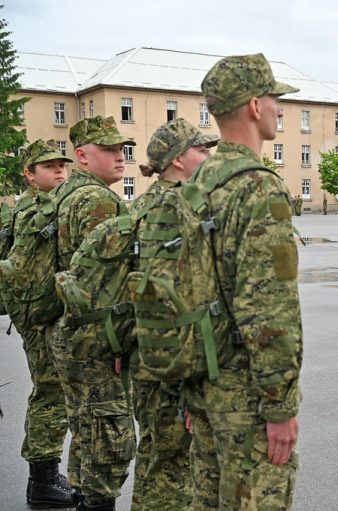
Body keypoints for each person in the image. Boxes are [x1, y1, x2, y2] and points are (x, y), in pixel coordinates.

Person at [184, 53, 303, 510]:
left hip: (201, 384)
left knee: (210, 501)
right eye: (275, 99)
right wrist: (280, 406)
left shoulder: (197, 184)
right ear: (254, 105)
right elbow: (269, 310)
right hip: (246, 397)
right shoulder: (258, 187)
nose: (279, 109)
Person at [46, 116, 137, 511]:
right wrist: (117, 341)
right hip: (93, 334)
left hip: (68, 330)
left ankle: (85, 498)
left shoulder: (65, 194)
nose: (121, 156)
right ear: (82, 156)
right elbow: (105, 281)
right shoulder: (98, 200)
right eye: (110, 150)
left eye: (122, 149)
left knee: (87, 428)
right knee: (110, 433)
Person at [130, 119, 219, 511]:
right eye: (202, 150)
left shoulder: (142, 204)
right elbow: (174, 300)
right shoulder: (177, 208)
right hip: (173, 364)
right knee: (173, 467)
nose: (209, 157)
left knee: (153, 455)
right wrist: (190, 383)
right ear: (179, 159)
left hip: (147, 355)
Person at [11, 140, 76, 508]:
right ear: (29, 174)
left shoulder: (43, 206)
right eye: (48, 165)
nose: (59, 170)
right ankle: (43, 480)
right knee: (50, 393)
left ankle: (46, 475)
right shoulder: (37, 211)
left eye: (61, 164)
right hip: (39, 315)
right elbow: (33, 274)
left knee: (50, 391)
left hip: (38, 312)